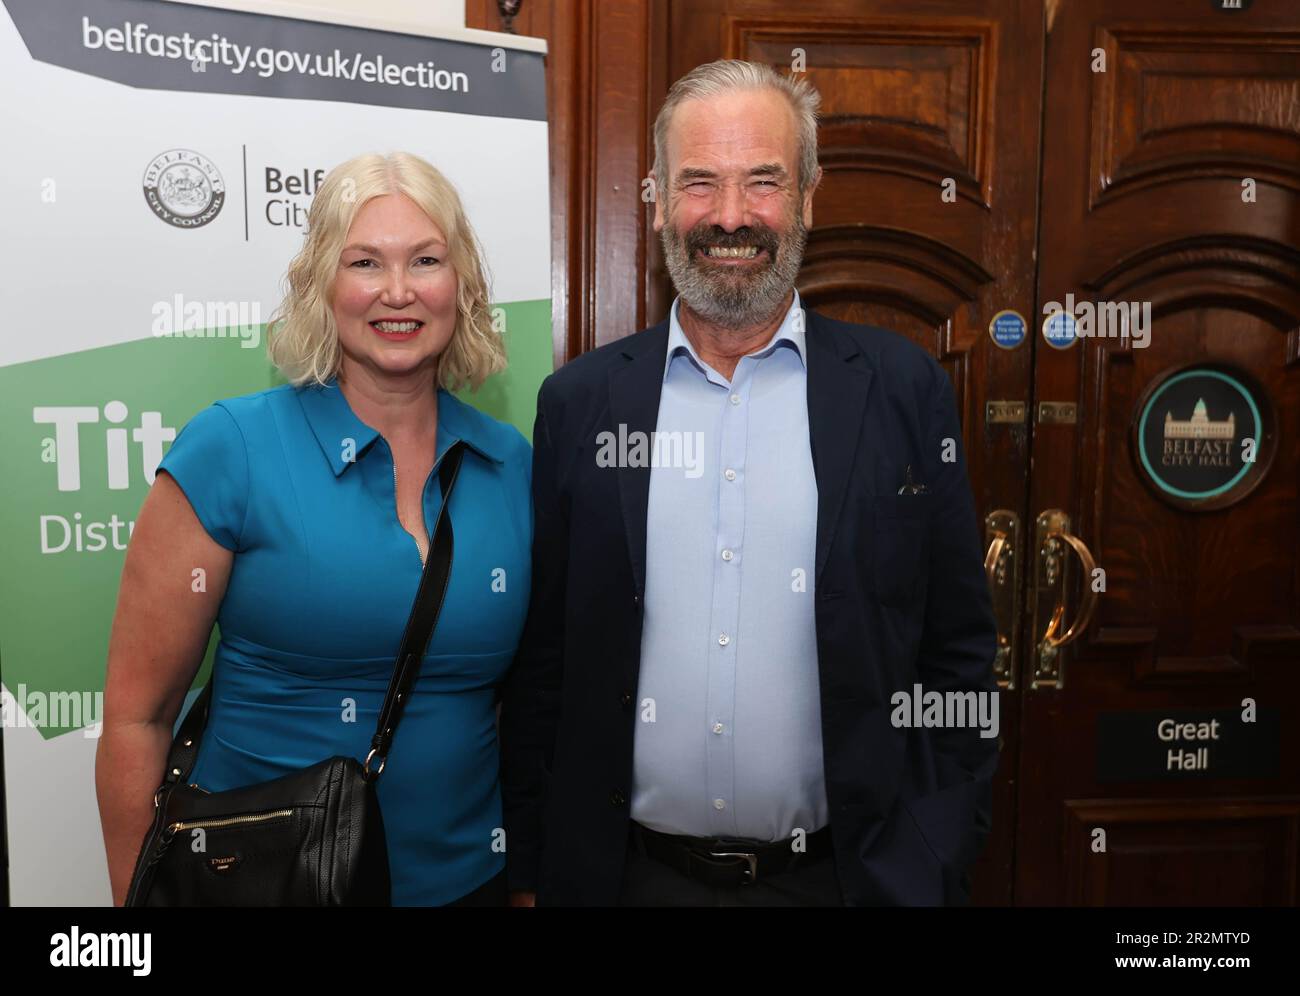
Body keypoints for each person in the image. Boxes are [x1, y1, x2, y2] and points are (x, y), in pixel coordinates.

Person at [501, 60, 998, 907]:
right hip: (627, 881)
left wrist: (931, 854)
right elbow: (542, 664)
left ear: (807, 197)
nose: (731, 217)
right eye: (701, 182)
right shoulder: (580, 404)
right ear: (657, 197)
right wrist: (533, 870)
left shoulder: (903, 389)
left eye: (762, 181)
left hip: (846, 883)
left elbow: (957, 654)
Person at [96, 151, 532, 907]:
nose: (398, 291)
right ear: (323, 285)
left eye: (426, 260)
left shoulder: (511, 462)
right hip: (266, 888)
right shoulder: (232, 448)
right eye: (365, 261)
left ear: (461, 286)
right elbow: (139, 718)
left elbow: (526, 704)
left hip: (471, 885)